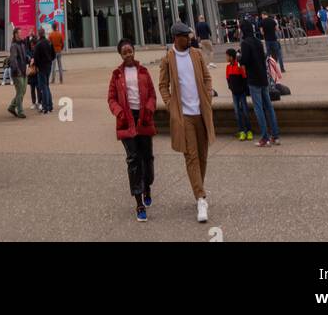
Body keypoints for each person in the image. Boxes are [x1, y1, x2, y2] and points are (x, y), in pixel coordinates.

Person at [158, 21, 215, 223]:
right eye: (185, 36)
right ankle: (200, 198)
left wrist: (207, 95)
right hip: (184, 116)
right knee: (191, 157)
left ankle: (198, 188)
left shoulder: (197, 54)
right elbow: (163, 86)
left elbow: (207, 78)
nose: (189, 39)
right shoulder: (167, 59)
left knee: (202, 156)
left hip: (201, 112)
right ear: (176, 38)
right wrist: (170, 105)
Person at [108, 38, 157, 222]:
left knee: (147, 157)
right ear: (120, 55)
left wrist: (150, 108)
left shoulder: (143, 72)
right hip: (126, 121)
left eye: (130, 51)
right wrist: (119, 112)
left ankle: (147, 187)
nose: (128, 54)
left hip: (144, 119)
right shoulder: (116, 75)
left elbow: (152, 94)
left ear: (134, 51)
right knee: (133, 160)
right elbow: (111, 98)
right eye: (124, 52)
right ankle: (139, 203)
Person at [239, 21, 280, 148]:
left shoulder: (245, 43)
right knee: (268, 106)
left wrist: (239, 57)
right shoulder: (258, 41)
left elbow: (244, 61)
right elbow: (263, 57)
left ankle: (265, 137)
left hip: (253, 79)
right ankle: (275, 136)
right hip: (263, 78)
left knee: (259, 109)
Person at [225, 47, 252, 140]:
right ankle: (241, 131)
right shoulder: (228, 67)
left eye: (227, 56)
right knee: (237, 112)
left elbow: (244, 78)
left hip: (241, 92)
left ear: (231, 57)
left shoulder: (239, 66)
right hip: (234, 93)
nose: (226, 58)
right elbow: (228, 79)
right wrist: (231, 88)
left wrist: (242, 89)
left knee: (245, 112)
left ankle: (249, 131)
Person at [7, 27, 28, 119]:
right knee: (20, 92)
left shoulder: (22, 44)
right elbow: (13, 59)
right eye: (19, 33)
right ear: (15, 34)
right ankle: (20, 111)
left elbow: (24, 56)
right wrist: (17, 70)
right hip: (17, 72)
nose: (21, 34)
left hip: (23, 71)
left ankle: (12, 106)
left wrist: (29, 58)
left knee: (22, 91)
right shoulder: (14, 46)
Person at [34, 29, 55, 114]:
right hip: (48, 66)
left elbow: (36, 57)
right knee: (47, 85)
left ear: (39, 34)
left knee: (44, 87)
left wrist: (37, 66)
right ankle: (50, 106)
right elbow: (53, 55)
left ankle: (45, 107)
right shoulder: (49, 42)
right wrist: (49, 60)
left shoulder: (38, 44)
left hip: (41, 68)